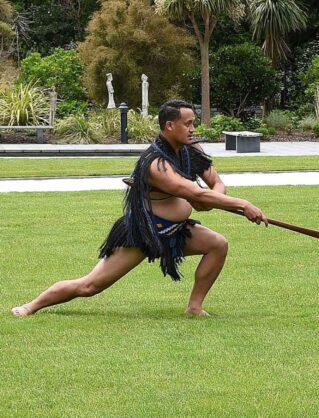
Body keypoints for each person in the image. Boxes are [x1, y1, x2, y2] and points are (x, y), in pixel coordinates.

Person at [11, 100, 267, 318]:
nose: (193, 129)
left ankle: (194, 307)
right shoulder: (155, 164)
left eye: (193, 123)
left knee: (217, 244)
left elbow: (215, 183)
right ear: (170, 126)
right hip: (144, 233)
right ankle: (31, 306)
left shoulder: (191, 151)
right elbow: (194, 192)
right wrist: (241, 205)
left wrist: (210, 200)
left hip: (177, 229)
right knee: (89, 286)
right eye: (187, 124)